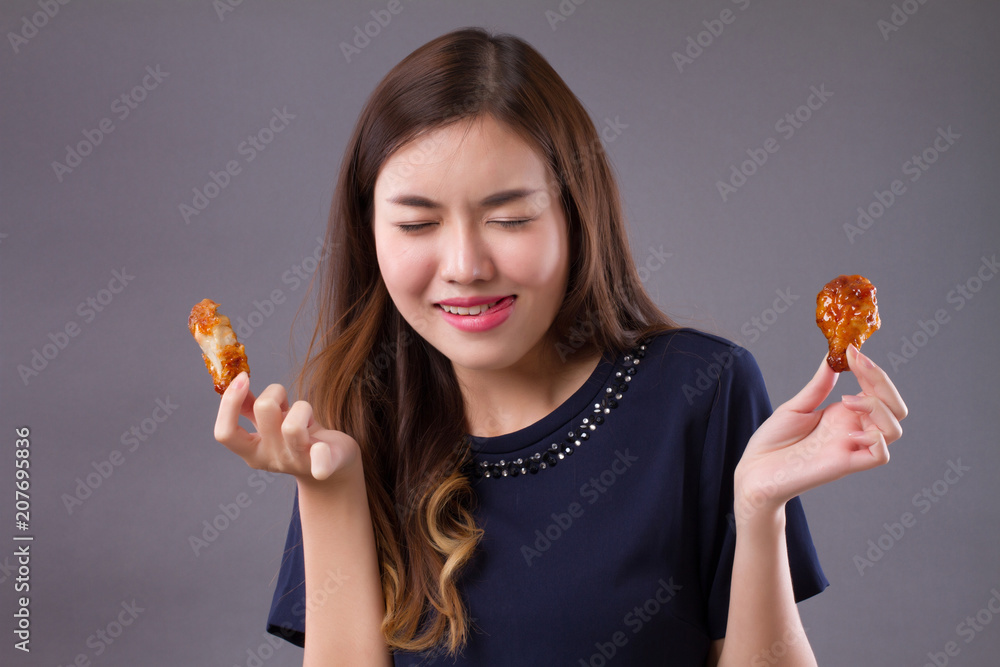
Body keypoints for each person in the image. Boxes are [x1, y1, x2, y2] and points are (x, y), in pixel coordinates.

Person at [213, 27, 907, 667]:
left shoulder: (705, 391)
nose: (465, 265)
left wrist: (758, 512)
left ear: (577, 215)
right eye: (417, 223)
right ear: (369, 235)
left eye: (510, 217)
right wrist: (330, 493)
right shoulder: (356, 423)